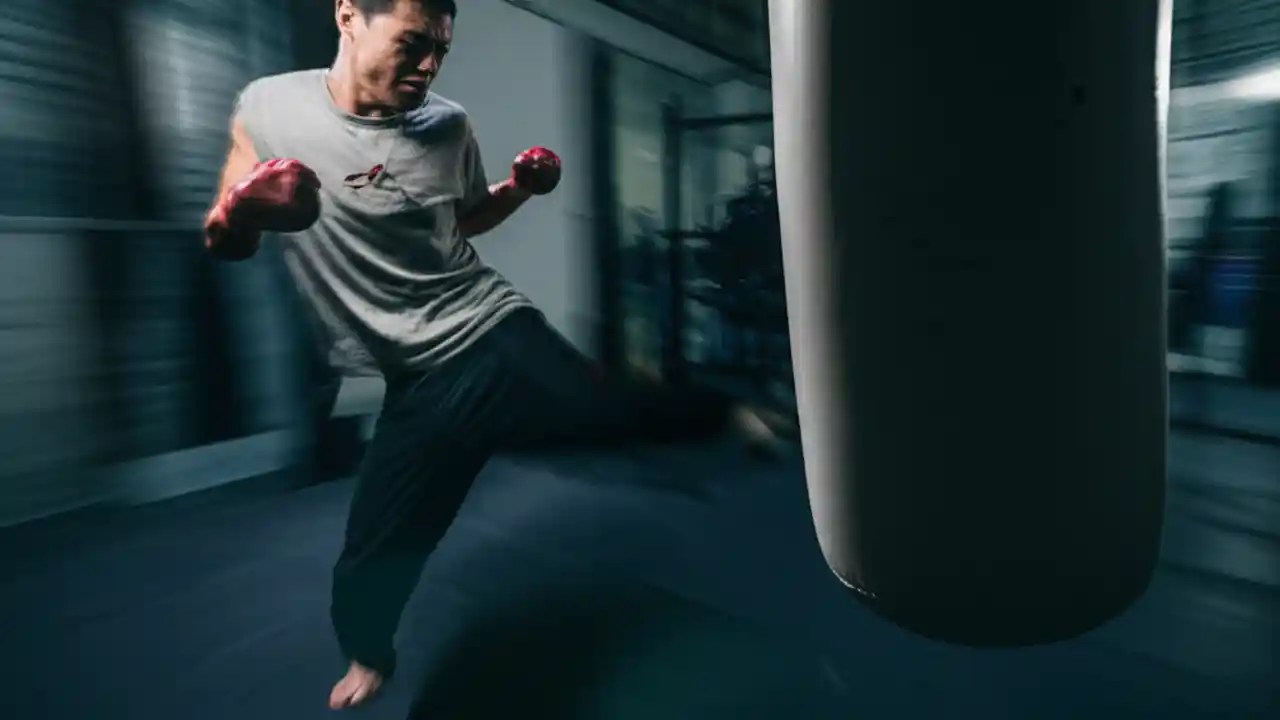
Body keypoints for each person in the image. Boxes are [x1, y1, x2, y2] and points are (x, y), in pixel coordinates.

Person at [203, 0, 778, 711]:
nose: (428, 66)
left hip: (487, 329)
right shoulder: (268, 106)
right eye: (413, 44)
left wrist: (517, 189)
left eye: (440, 49)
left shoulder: (446, 125)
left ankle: (727, 413)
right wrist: (240, 212)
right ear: (348, 15)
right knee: (370, 556)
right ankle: (368, 656)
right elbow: (218, 237)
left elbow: (466, 219)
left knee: (600, 412)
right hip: (414, 380)